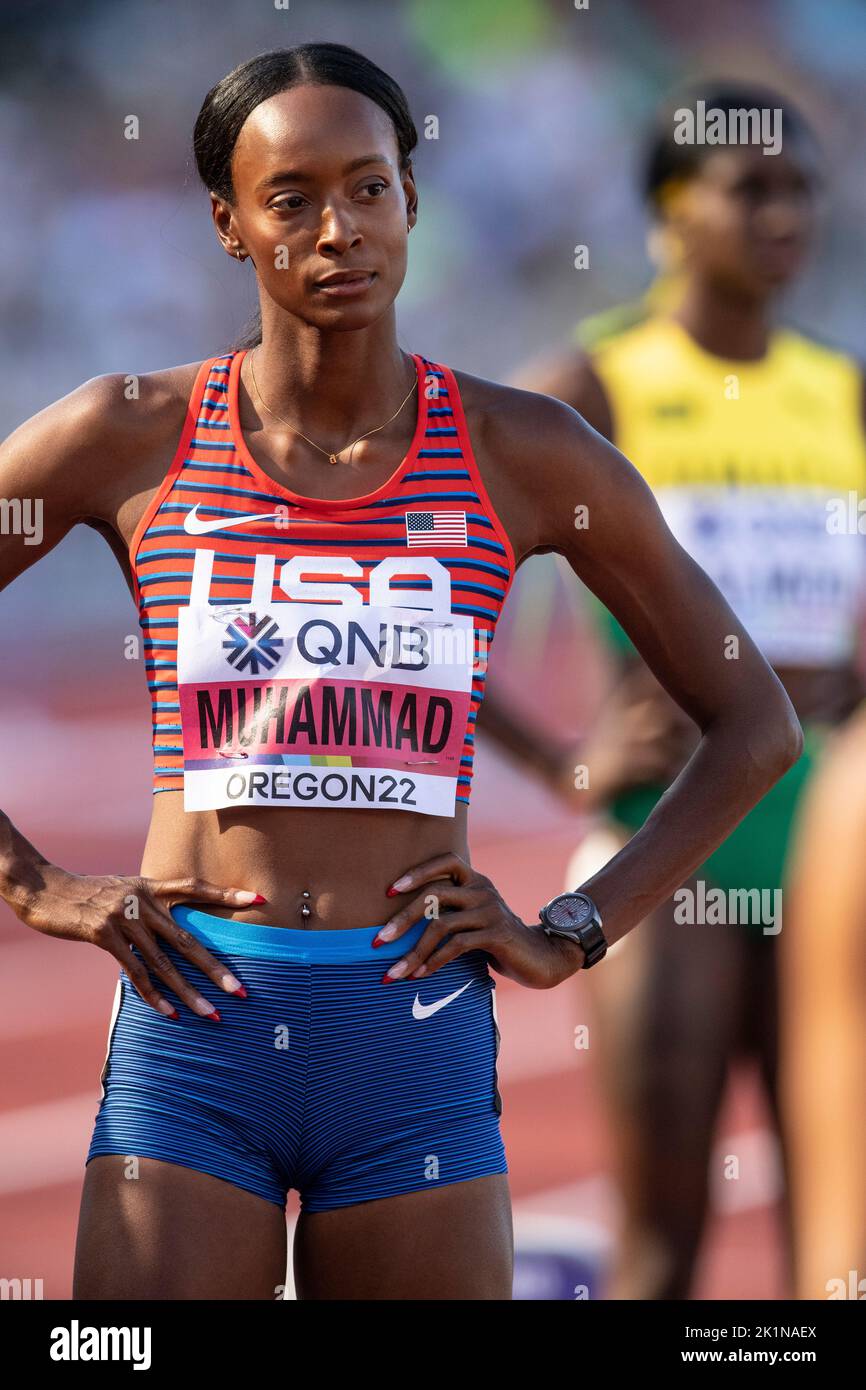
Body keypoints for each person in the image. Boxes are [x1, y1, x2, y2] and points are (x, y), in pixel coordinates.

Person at [0, 49, 800, 1301]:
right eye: (292, 198)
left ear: (413, 201)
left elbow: (753, 720)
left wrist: (571, 932)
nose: (338, 231)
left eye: (369, 189)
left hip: (408, 1033)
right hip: (193, 1023)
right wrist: (35, 881)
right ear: (226, 224)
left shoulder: (523, 451)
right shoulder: (130, 432)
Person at [498, 82, 866, 1297]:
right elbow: (413, 584)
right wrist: (565, 760)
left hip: (827, 847)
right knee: (662, 1253)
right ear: (667, 215)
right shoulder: (594, 383)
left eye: (801, 186)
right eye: (749, 186)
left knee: (839, 1258)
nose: (785, 212)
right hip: (676, 847)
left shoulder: (842, 392)